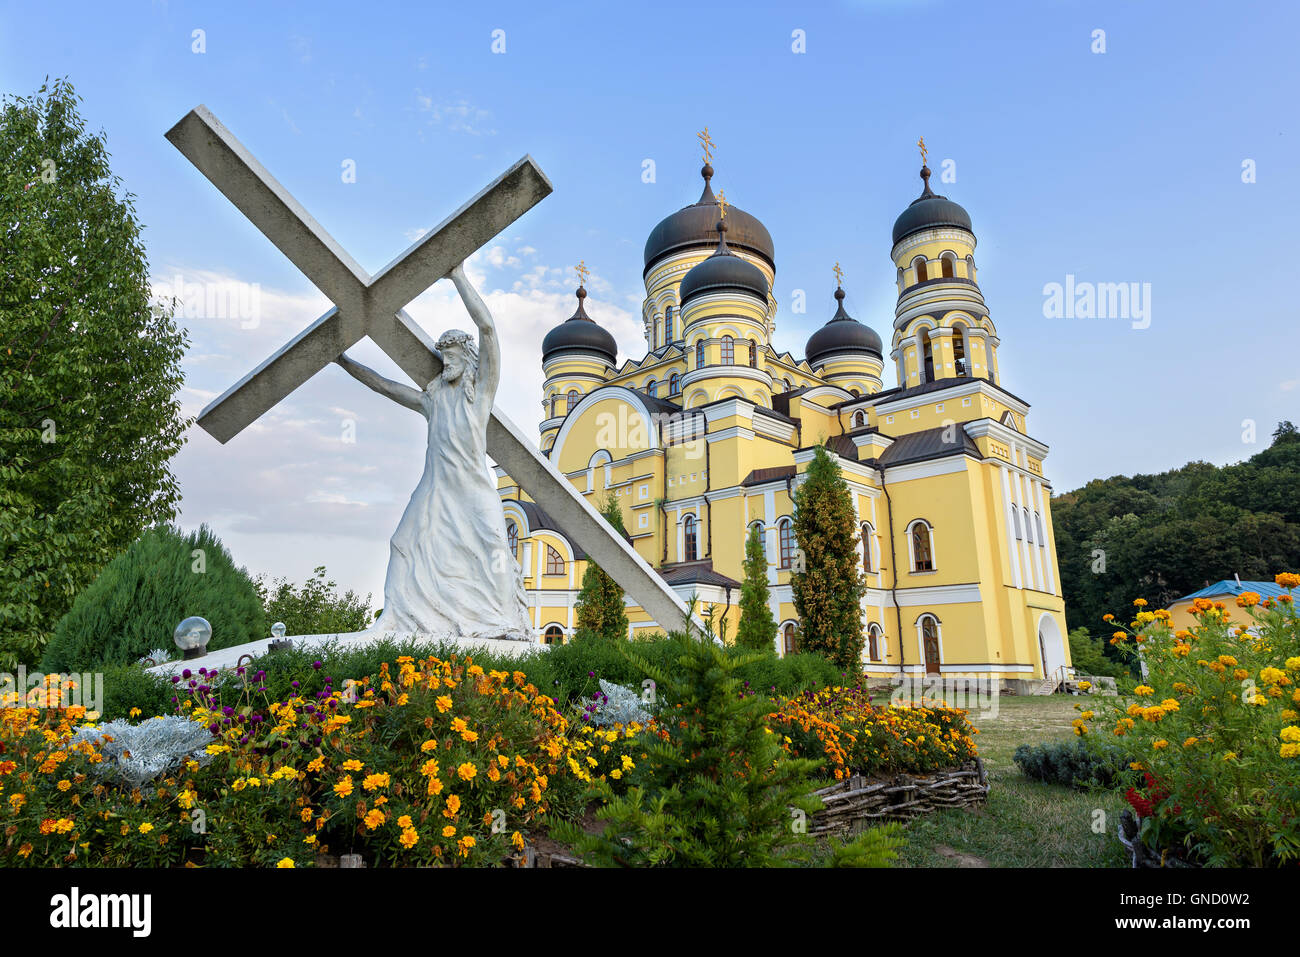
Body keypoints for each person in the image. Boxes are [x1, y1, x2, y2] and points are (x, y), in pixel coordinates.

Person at [334, 264, 531, 641]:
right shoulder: (434, 399)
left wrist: (457, 275)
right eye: (443, 358)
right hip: (436, 489)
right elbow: (387, 388)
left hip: (473, 491)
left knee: (493, 551)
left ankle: (505, 622)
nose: (447, 363)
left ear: (467, 358)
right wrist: (345, 363)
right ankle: (392, 619)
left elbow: (488, 329)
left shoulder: (481, 395)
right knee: (403, 542)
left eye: (453, 356)